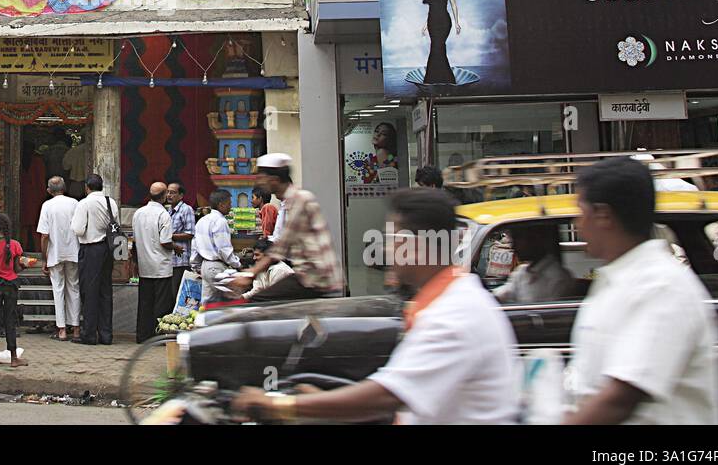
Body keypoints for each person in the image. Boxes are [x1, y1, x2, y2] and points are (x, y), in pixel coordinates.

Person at [232, 188, 520, 424]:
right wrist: (318, 399)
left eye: (392, 239)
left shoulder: (454, 316)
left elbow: (386, 395)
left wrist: (282, 405)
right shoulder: (447, 300)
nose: (385, 249)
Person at [564, 157, 718, 424]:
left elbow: (619, 399)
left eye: (581, 211)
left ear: (603, 215)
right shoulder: (615, 281)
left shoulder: (660, 286)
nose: (578, 223)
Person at [233, 154, 342, 301]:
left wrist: (250, 273)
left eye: (262, 178)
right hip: (307, 275)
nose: (260, 182)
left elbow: (281, 247)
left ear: (274, 180)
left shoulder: (301, 200)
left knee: (259, 300)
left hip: (315, 277)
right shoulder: (288, 203)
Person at [0, 211, 38, 366]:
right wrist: (24, 265)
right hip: (11, 285)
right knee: (10, 320)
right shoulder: (15, 245)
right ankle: (13, 357)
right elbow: (16, 269)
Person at [71, 173, 118, 345]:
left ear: (87, 187)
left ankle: (89, 334)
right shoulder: (110, 202)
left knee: (89, 292)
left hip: (91, 249)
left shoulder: (84, 203)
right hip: (107, 249)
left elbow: (78, 229)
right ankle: (106, 335)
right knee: (105, 291)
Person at [36, 176, 80, 341]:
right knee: (74, 289)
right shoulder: (75, 203)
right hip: (73, 251)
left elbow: (44, 235)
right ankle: (75, 328)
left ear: (49, 191)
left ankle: (61, 330)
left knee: (58, 290)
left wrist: (44, 258)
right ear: (65, 188)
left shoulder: (47, 205)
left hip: (55, 253)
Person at [492, 223, 580, 304]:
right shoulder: (521, 272)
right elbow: (504, 293)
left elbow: (550, 315)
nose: (513, 246)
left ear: (535, 239)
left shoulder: (558, 278)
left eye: (518, 239)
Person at [133, 182, 175, 342]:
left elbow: (136, 241)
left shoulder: (139, 213)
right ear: (164, 196)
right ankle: (159, 336)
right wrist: (175, 247)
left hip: (145, 265)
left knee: (145, 303)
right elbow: (165, 241)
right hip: (161, 266)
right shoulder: (164, 215)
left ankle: (143, 335)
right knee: (162, 304)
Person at [193, 190, 239, 305]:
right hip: (216, 267)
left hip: (205, 266)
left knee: (208, 303)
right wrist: (237, 264)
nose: (230, 206)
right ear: (221, 205)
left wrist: (196, 266)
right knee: (232, 300)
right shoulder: (220, 221)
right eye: (229, 203)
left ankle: (205, 322)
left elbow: (195, 246)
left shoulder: (202, 221)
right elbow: (224, 249)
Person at [419, 0, 461, 85]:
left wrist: (457, 22)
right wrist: (425, 24)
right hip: (432, 22)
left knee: (438, 47)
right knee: (436, 47)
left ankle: (442, 79)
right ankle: (439, 79)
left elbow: (453, 4)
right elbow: (431, 10)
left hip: (444, 22)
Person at [166, 181, 196, 296]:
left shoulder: (186, 209)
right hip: (170, 259)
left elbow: (190, 233)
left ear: (181, 195)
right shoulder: (169, 211)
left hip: (181, 260)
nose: (169, 195)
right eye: (168, 192)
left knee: (178, 293)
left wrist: (168, 236)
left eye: (172, 193)